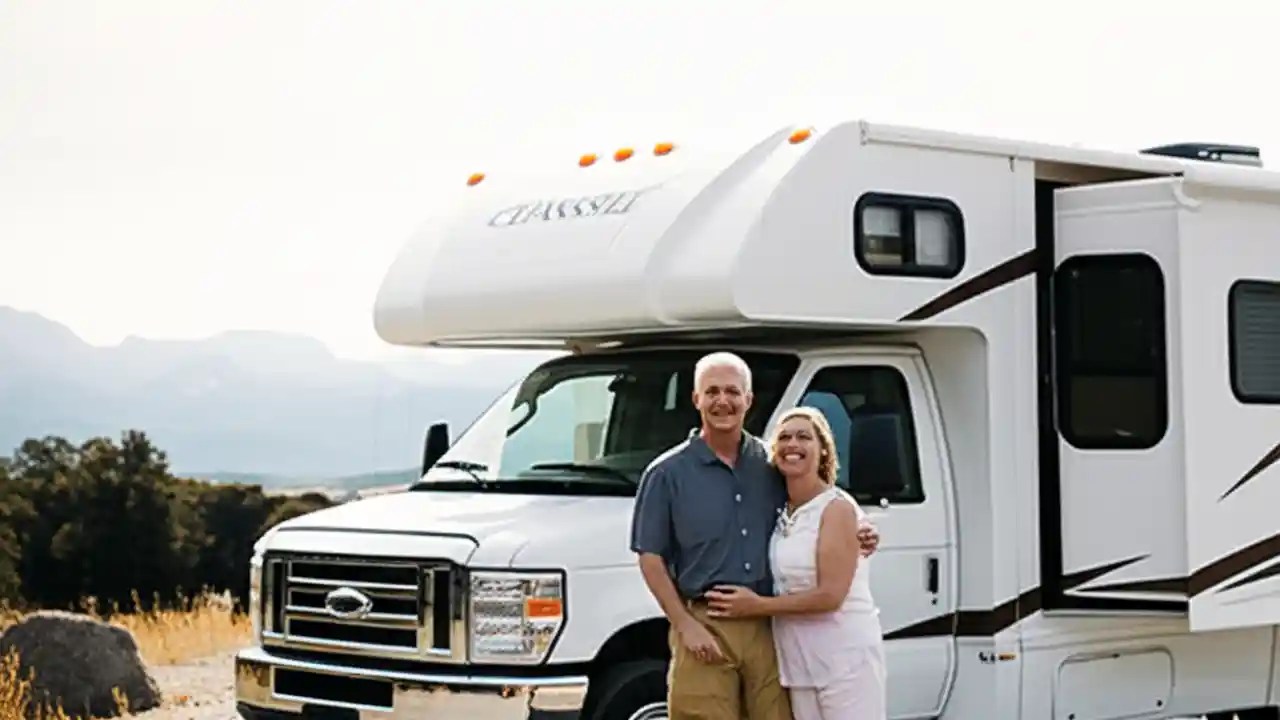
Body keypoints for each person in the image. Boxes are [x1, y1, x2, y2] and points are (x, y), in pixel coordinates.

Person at [629, 351, 881, 720]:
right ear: (696, 399)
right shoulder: (666, 474)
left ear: (748, 399)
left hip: (769, 628)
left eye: (733, 391)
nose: (722, 401)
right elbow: (650, 558)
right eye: (711, 391)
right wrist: (685, 625)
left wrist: (861, 526)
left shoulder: (771, 464)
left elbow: (813, 504)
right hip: (705, 622)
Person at [704, 406, 887, 720]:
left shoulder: (836, 508)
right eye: (785, 437)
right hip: (799, 664)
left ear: (823, 450)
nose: (793, 444)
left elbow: (831, 596)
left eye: (805, 437)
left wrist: (756, 606)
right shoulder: (779, 511)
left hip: (845, 659)